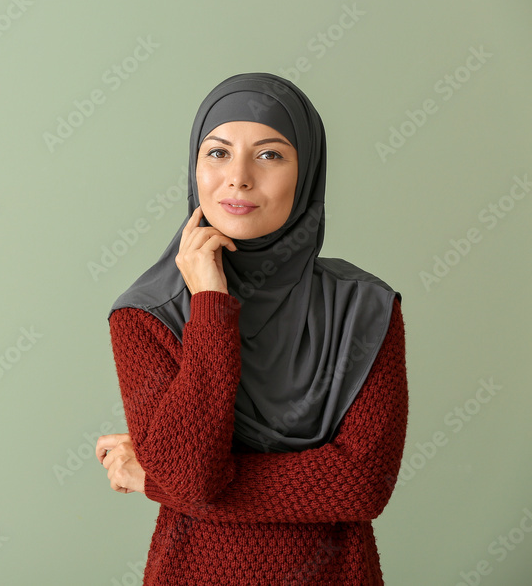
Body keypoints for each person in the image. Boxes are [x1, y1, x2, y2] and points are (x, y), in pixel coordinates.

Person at [96, 73, 407, 585]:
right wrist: (211, 305)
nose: (238, 177)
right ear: (194, 168)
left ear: (306, 174)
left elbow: (363, 485)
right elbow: (191, 478)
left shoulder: (364, 307)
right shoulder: (146, 315)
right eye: (217, 153)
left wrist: (155, 480)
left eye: (269, 155)